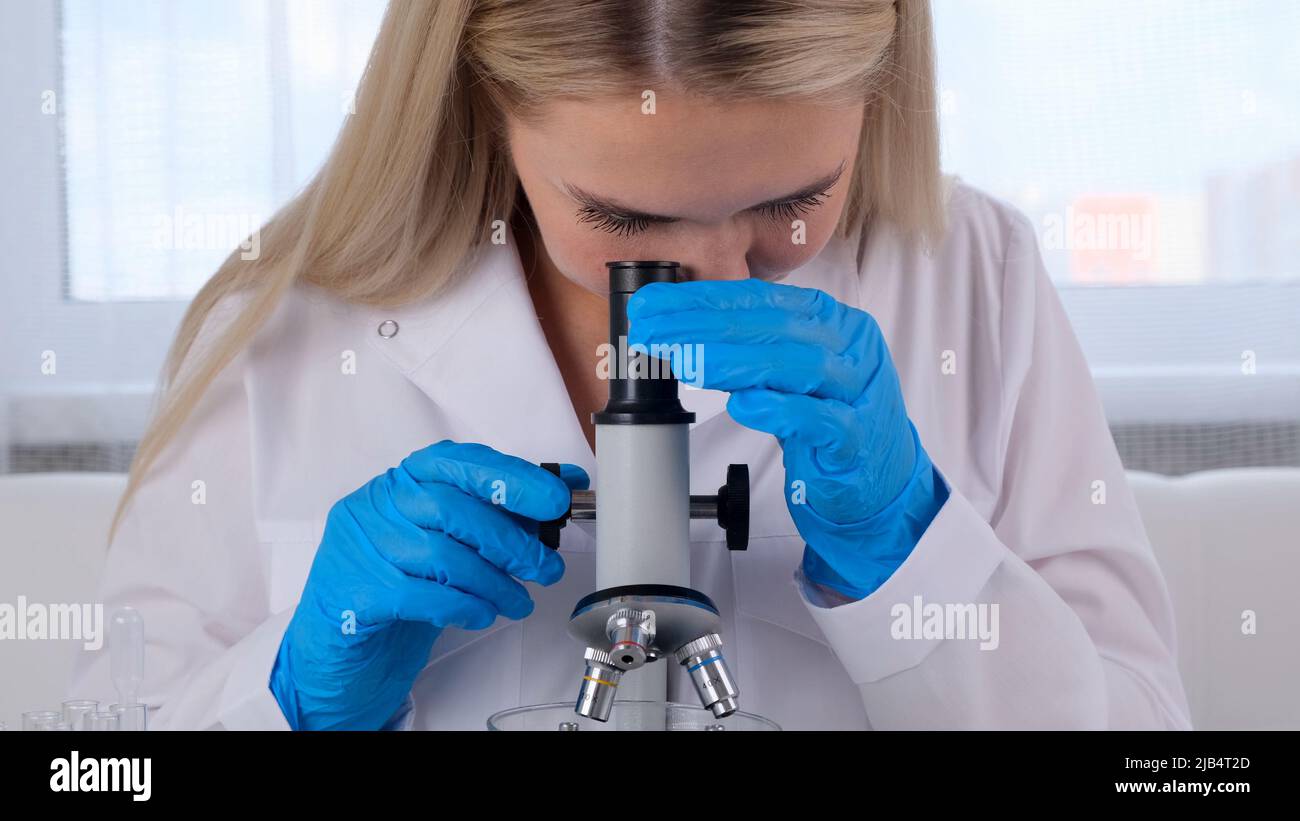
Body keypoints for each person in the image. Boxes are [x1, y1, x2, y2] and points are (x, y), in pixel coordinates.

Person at [68, 0, 1192, 730]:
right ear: (479, 102)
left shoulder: (973, 277)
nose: (705, 272)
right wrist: (289, 697)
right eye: (620, 211)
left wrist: (916, 553)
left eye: (793, 199)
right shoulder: (285, 328)